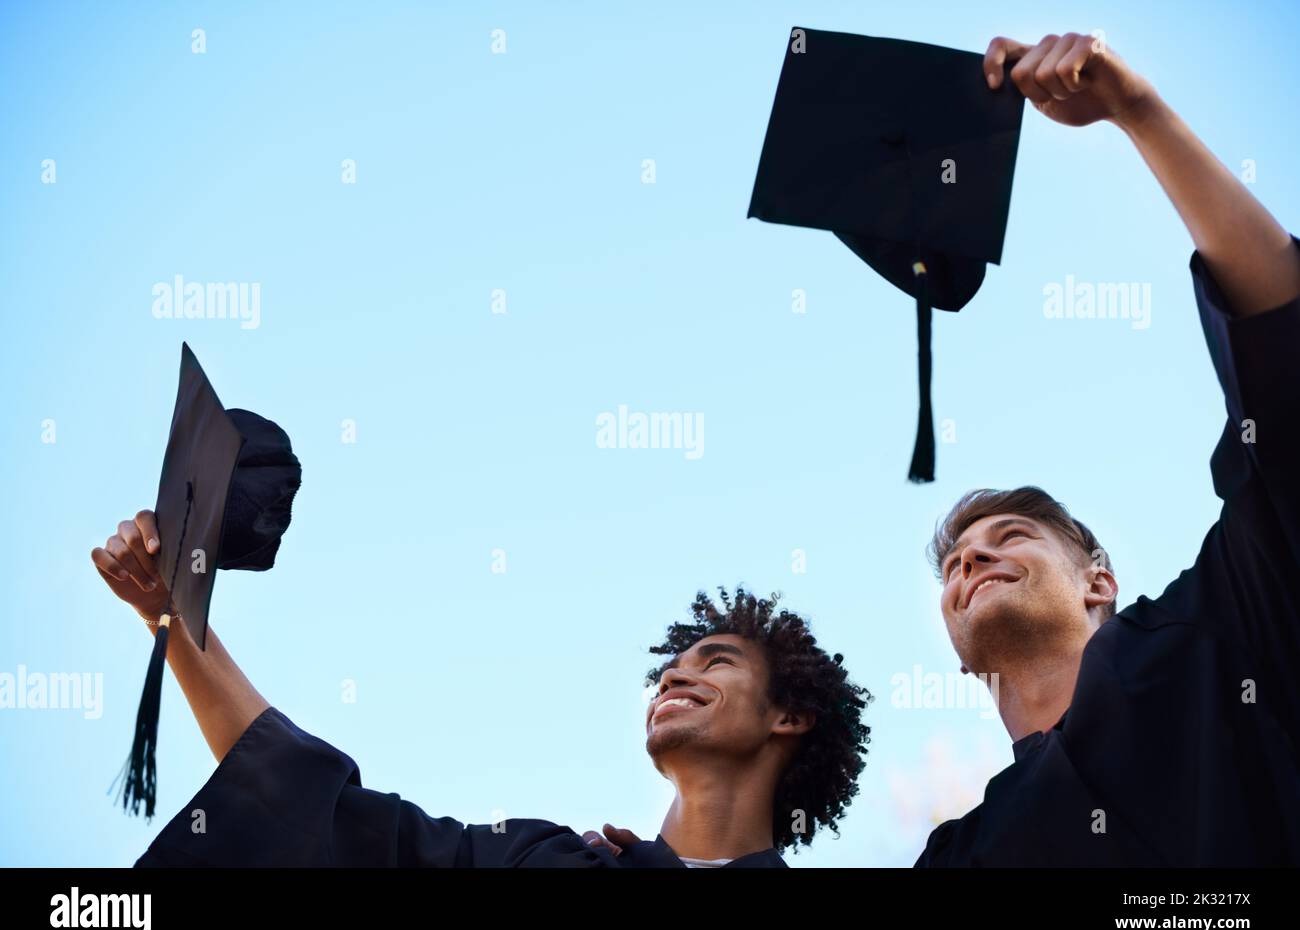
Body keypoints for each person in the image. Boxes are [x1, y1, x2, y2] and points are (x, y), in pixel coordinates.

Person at [906, 32, 1300, 865]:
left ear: (1101, 580)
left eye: (1007, 537)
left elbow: (1281, 352)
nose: (970, 562)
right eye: (954, 567)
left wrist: (1136, 110)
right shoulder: (960, 856)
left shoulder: (1224, 630)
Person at [91, 526, 870, 867]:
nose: (673, 674)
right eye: (669, 664)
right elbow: (315, 808)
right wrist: (169, 614)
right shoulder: (537, 860)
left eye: (717, 660)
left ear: (788, 715)